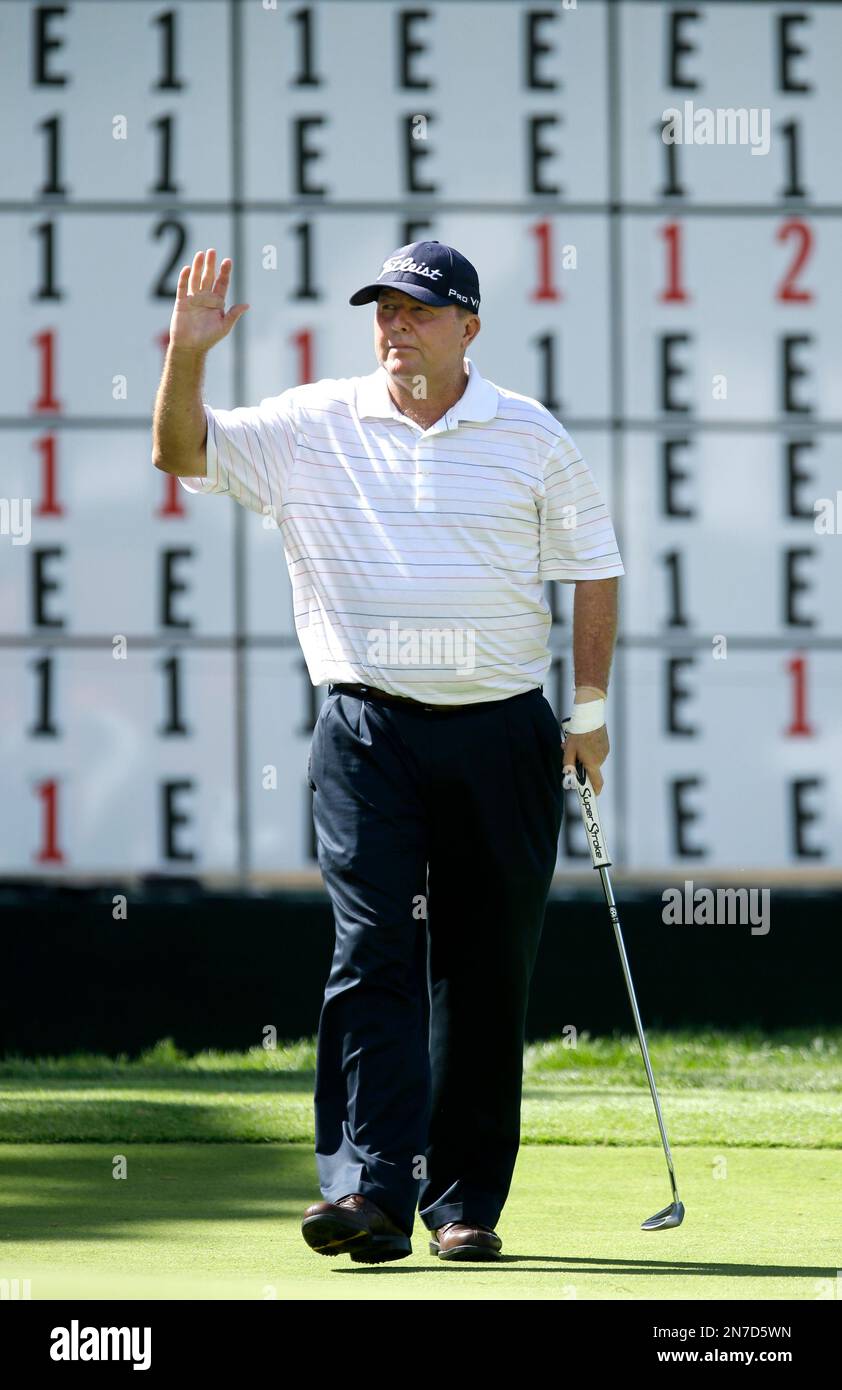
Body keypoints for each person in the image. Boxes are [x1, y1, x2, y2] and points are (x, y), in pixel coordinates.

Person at [152, 240, 624, 1265]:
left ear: (468, 328)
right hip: (365, 729)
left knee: (483, 969)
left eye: (417, 309)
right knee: (371, 950)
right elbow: (182, 453)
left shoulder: (528, 435)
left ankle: (462, 1203)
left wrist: (586, 710)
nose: (395, 326)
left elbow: (593, 565)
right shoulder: (312, 422)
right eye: (384, 310)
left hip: (501, 728)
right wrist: (185, 355)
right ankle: (368, 1185)